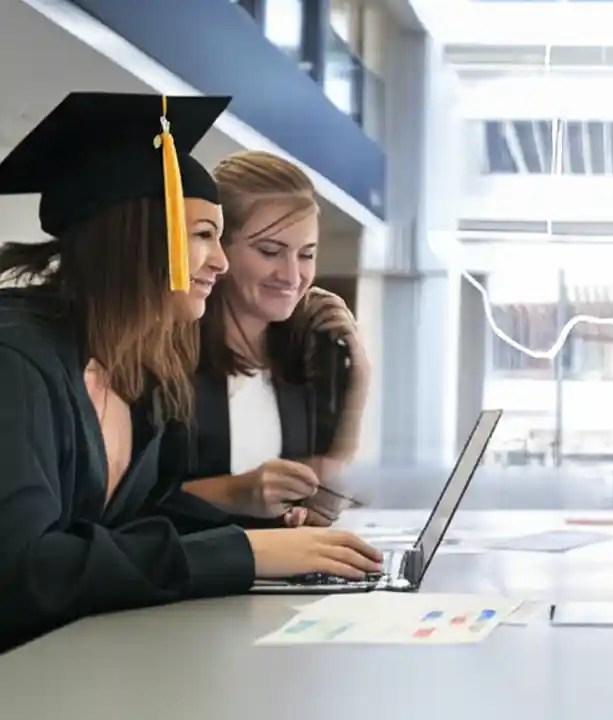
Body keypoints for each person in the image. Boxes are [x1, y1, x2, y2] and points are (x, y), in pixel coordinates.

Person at [0, 92, 380, 651]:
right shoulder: (17, 362)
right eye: (204, 235)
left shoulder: (131, 370)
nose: (221, 262)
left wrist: (252, 524)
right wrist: (243, 552)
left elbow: (128, 523)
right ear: (138, 238)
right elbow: (22, 571)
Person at [149, 150, 371, 531]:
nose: (292, 275)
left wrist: (360, 375)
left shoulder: (299, 355)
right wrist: (237, 492)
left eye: (306, 255)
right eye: (270, 251)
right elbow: (130, 505)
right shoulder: (162, 355)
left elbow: (323, 487)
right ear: (218, 249)